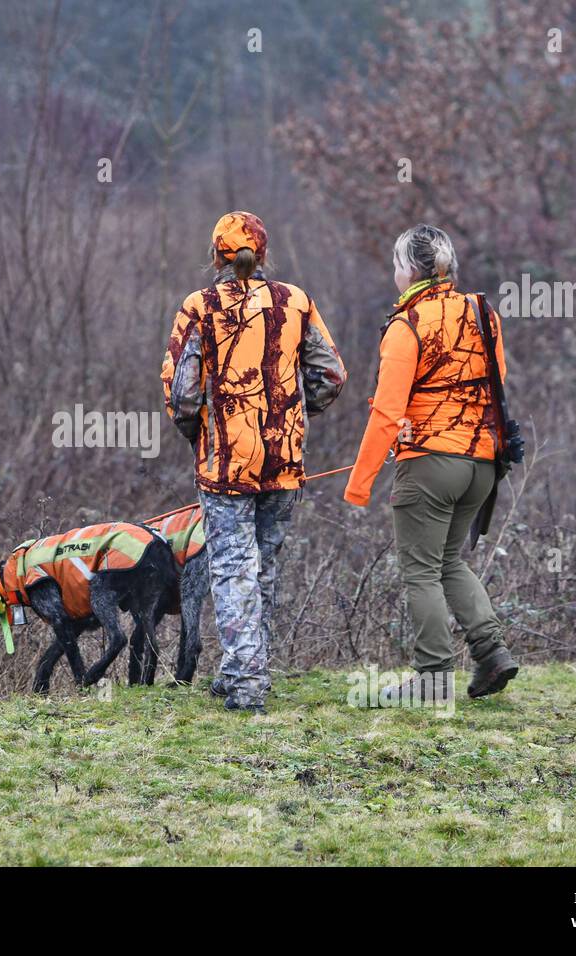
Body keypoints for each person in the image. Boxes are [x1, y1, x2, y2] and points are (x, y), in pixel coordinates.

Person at [162, 212, 347, 713]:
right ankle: (243, 667)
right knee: (262, 568)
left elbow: (182, 395)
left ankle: (246, 680)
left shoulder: (199, 307)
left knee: (232, 568)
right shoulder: (296, 302)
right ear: (263, 254)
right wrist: (291, 413)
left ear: (215, 256)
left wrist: (198, 433)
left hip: (225, 463)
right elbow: (330, 376)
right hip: (284, 460)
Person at [343, 224, 519, 704]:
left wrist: (359, 485)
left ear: (414, 272)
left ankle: (432, 677)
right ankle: (492, 653)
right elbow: (492, 384)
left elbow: (386, 412)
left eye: (398, 264)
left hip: (430, 466)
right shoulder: (483, 314)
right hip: (481, 464)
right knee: (448, 561)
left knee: (420, 570)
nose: (394, 273)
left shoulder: (407, 325)